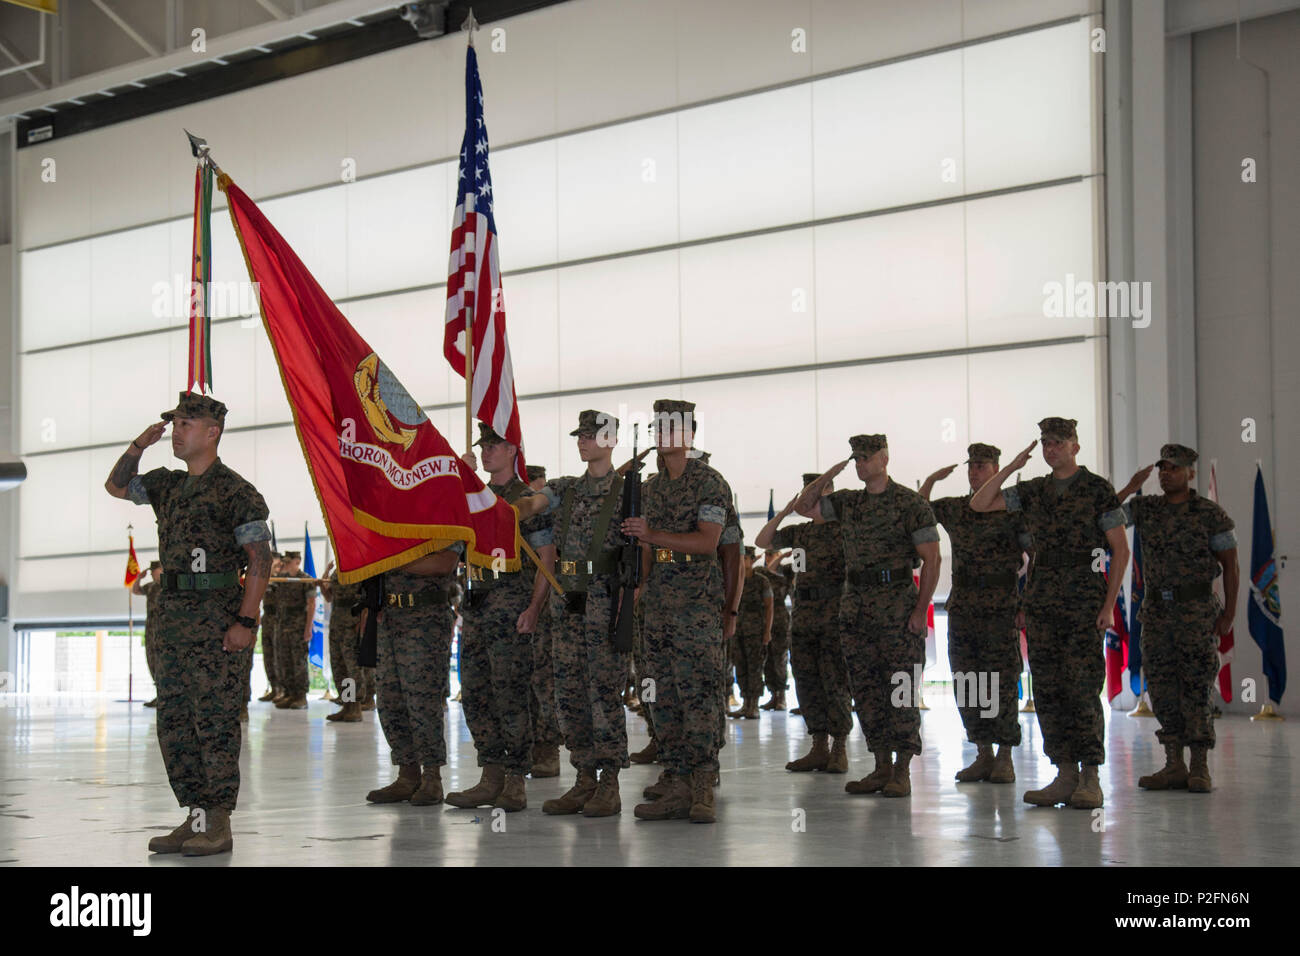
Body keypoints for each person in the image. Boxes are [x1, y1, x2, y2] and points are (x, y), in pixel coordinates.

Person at [105, 391, 272, 856]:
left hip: (218, 624)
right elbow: (117, 487)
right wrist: (139, 446)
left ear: (212, 432)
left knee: (214, 723)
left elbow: (261, 559)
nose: (177, 432)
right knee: (175, 725)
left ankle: (218, 822)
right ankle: (194, 816)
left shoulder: (237, 492)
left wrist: (246, 620)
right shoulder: (167, 485)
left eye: (185, 424)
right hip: (173, 623)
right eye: (175, 424)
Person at [970, 417, 1129, 810]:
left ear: (1075, 446)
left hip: (1082, 601)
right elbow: (980, 503)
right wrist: (1011, 467)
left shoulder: (1096, 490)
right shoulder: (1034, 490)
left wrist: (1108, 605)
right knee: (1049, 690)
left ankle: (1090, 776)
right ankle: (1064, 773)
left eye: (1059, 442)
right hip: (1042, 602)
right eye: (1045, 442)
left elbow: (1120, 550)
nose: (1051, 449)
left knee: (1081, 688)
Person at [796, 434, 941, 798]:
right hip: (857, 608)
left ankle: (903, 770)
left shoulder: (910, 503)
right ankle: (880, 767)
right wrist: (832, 471)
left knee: (900, 689)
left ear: (884, 458)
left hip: (897, 607)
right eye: (855, 458)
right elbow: (803, 506)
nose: (860, 463)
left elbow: (932, 560)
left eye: (866, 457)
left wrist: (921, 610)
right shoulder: (848, 503)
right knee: (866, 690)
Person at [624, 400, 731, 823]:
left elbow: (709, 542)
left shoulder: (710, 482)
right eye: (657, 427)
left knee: (699, 694)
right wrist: (639, 587)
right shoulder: (649, 489)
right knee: (660, 695)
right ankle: (676, 779)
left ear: (688, 434)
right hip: (658, 606)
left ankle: (703, 783)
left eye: (671, 427)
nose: (662, 434)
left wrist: (652, 534)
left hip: (697, 606)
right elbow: (647, 549)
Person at [444, 423, 554, 812]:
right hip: (476, 607)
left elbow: (546, 557)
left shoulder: (526, 499)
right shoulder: (476, 497)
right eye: (483, 447)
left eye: (494, 445)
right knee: (475, 693)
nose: (486, 452)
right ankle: (490, 772)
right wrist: (461, 479)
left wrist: (535, 607)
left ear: (513, 450)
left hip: (511, 607)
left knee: (512, 694)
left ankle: (515, 777)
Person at [1116, 444, 1238, 793]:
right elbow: (1105, 517)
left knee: (1197, 685)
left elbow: (1231, 565)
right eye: (1162, 468)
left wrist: (1228, 613)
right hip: (1156, 613)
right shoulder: (1146, 508)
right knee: (1162, 685)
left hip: (1197, 612)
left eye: (1174, 468)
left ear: (1190, 473)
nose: (1166, 474)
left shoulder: (1210, 514)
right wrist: (1128, 486)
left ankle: (1199, 765)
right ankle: (1173, 764)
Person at [529, 410, 633, 815]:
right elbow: (538, 500)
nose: (583, 441)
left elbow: (637, 555)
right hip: (567, 602)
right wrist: (519, 506)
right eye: (580, 436)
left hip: (604, 603)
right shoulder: (565, 489)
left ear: (609, 440)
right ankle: (584, 777)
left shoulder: (628, 494)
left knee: (603, 694)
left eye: (590, 436)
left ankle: (609, 782)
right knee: (568, 695)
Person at [920, 444, 1032, 785]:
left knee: (1001, 680)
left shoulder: (1012, 509)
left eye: (982, 466)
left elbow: (1035, 554)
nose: (974, 472)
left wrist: (1027, 603)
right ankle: (982, 753)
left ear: (996, 468)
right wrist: (929, 481)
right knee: (968, 680)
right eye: (972, 467)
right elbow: (918, 511)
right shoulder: (957, 508)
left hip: (1000, 605)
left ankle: (1005, 756)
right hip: (964, 605)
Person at [756, 473, 851, 773]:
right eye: (809, 495)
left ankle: (839, 748)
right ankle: (818, 746)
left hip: (836, 613)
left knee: (835, 681)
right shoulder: (800, 533)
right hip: (804, 614)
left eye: (822, 494)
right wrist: (784, 513)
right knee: (808, 681)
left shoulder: (846, 530)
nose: (815, 501)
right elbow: (762, 541)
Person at [366, 545, 461, 806]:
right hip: (389, 617)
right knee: (389, 700)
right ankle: (407, 774)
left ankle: (432, 777)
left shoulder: (440, 518)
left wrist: (391, 558)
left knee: (423, 701)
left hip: (426, 618)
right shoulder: (389, 523)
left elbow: (444, 562)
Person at [728, 546, 772, 720]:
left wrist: (767, 631)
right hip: (738, 631)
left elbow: (769, 607)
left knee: (755, 668)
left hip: (755, 632)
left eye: (745, 558)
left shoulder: (762, 581)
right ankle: (745, 702)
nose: (742, 561)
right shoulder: (734, 580)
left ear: (752, 560)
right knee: (741, 666)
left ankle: (754, 705)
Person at [320, 562, 364, 723]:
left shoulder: (360, 567)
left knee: (352, 665)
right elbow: (329, 596)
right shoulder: (337, 569)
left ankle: (355, 707)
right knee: (339, 664)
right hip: (337, 620)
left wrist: (362, 623)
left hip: (352, 620)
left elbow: (367, 598)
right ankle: (346, 705)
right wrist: (324, 577)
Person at [271, 551, 313, 710]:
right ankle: (289, 693)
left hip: (298, 625)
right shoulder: (282, 579)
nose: (284, 564)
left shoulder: (305, 579)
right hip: (282, 624)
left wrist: (308, 628)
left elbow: (311, 604)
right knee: (284, 660)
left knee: (298, 661)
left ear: (297, 561)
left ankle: (301, 696)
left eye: (288, 562)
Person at [756, 550, 792, 710]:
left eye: (773, 554)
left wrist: (781, 558)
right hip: (763, 620)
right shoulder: (761, 573)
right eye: (768, 555)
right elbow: (769, 569)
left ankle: (782, 696)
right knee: (767, 659)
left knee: (780, 659)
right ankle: (773, 695)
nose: (769, 558)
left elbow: (774, 569)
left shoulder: (786, 572)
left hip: (780, 621)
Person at [133, 560, 163, 707]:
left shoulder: (167, 586)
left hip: (164, 628)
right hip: (151, 628)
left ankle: (165, 696)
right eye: (151, 572)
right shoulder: (151, 587)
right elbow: (135, 590)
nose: (152, 574)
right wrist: (139, 578)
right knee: (152, 660)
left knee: (163, 661)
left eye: (154, 571)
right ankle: (159, 695)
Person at [257, 553, 283, 702]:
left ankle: (282, 689)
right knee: (268, 655)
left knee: (278, 656)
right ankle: (274, 687)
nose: (275, 567)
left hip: (279, 620)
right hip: (267, 618)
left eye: (277, 564)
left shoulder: (282, 580)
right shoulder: (265, 579)